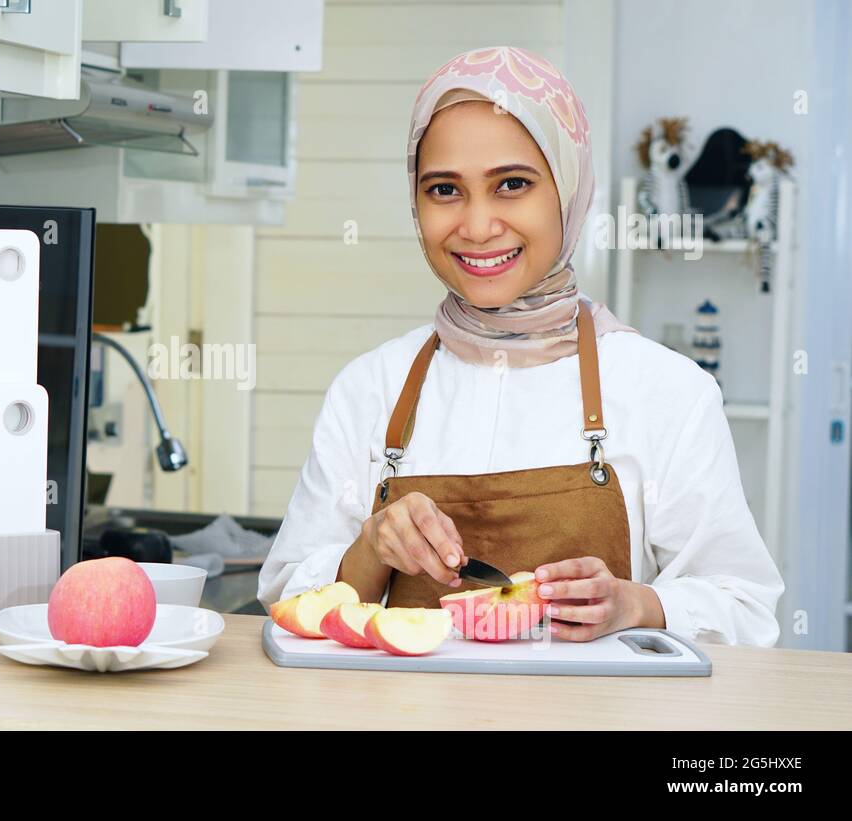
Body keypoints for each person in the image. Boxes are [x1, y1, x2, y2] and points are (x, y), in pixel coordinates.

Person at [257, 47, 784, 646]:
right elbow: (287, 602)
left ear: (567, 190)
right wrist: (372, 546)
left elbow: (745, 609)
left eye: (512, 184)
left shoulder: (667, 390)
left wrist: (636, 604)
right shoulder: (368, 388)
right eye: (444, 190)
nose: (478, 226)